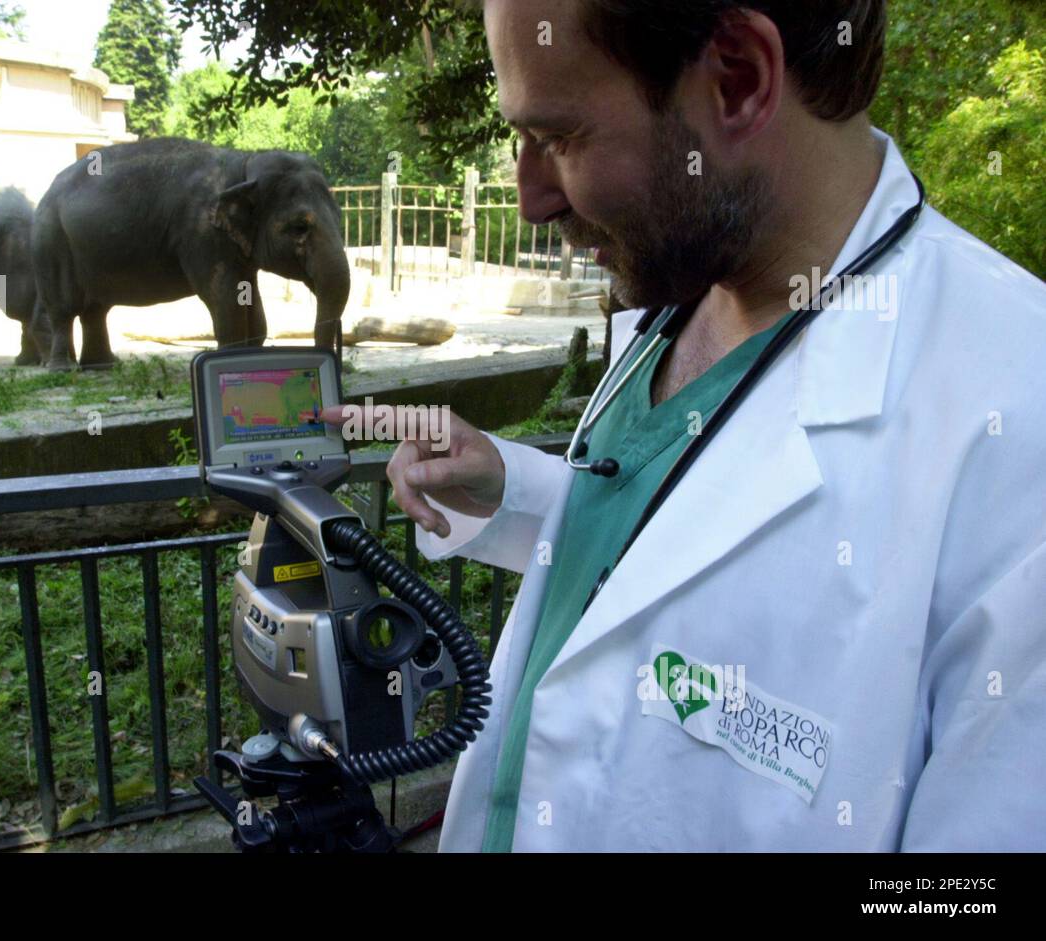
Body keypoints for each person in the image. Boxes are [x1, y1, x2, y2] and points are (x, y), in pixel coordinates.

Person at [323, 0, 1046, 852]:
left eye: (559, 138)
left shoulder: (1014, 420)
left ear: (738, 78)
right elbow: (682, 543)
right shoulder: (691, 288)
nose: (530, 198)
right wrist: (519, 492)